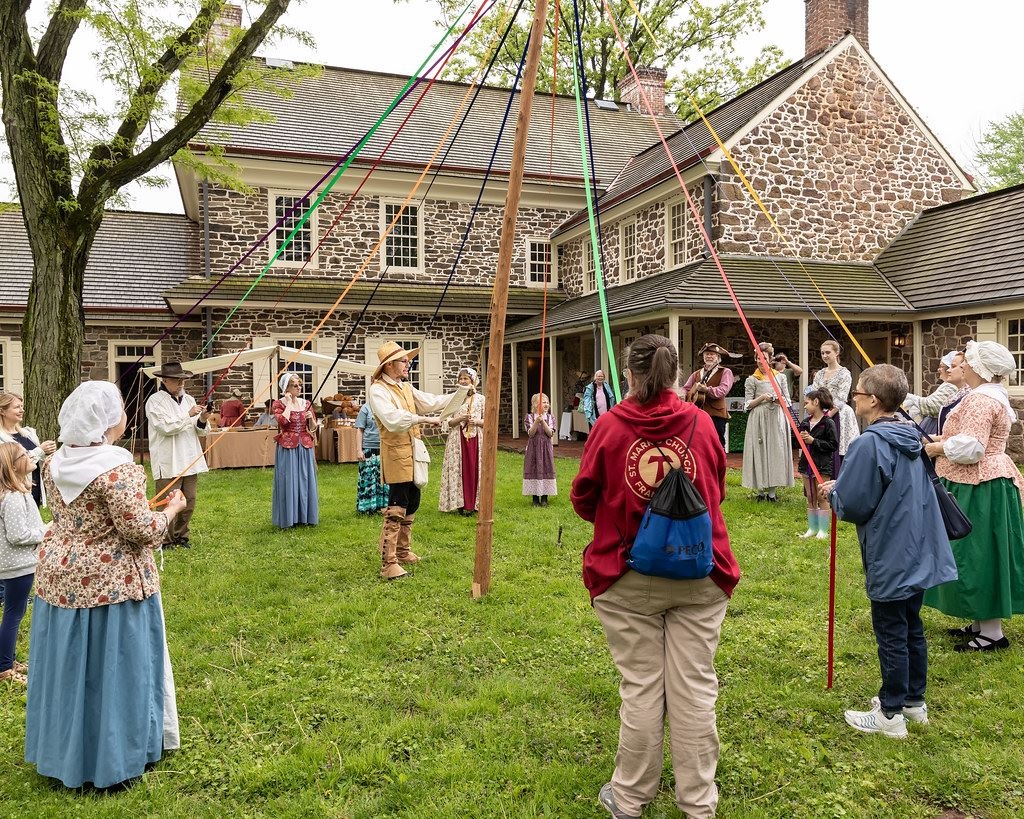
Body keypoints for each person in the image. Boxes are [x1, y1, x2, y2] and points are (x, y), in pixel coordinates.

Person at [571, 334, 741, 819]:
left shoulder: (609, 426)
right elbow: (715, 490)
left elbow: (584, 497)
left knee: (643, 686)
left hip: (626, 573)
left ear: (630, 374)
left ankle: (628, 798)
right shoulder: (700, 424)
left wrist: (625, 516)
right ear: (675, 375)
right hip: (698, 571)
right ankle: (698, 804)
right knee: (694, 688)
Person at [27, 380, 188, 788]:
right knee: (114, 667)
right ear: (106, 421)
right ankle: (113, 756)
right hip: (112, 582)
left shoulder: (53, 462)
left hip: (60, 574)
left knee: (70, 667)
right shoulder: (119, 470)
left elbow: (82, 515)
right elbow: (141, 531)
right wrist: (171, 510)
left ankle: (65, 751)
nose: (124, 415)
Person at [822, 364, 957, 738]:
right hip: (919, 545)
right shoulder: (910, 433)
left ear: (873, 400)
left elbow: (854, 504)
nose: (854, 398)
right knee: (911, 625)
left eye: (858, 392)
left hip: (892, 550)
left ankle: (890, 714)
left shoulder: (869, 443)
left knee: (892, 630)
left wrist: (835, 495)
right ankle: (913, 702)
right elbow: (884, 483)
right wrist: (842, 486)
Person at [922, 340, 1024, 652]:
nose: (962, 364)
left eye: (967, 361)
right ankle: (982, 622)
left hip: (979, 485)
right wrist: (943, 439)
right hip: (988, 481)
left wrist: (936, 448)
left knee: (978, 553)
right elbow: (972, 438)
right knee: (979, 550)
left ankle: (992, 633)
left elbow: (972, 448)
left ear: (980, 368)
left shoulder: (980, 399)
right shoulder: (991, 395)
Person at [367, 341, 466, 580]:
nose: (407, 364)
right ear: (389, 365)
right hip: (396, 454)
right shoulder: (378, 390)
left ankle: (402, 552)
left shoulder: (406, 387)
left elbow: (431, 401)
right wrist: (423, 419)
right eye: (403, 361)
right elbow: (392, 419)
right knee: (397, 506)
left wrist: (461, 394)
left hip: (414, 452)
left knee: (412, 502)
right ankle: (388, 563)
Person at [145, 361, 209, 548]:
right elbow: (165, 427)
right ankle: (165, 539)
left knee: (189, 500)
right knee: (167, 500)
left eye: (183, 380)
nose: (181, 383)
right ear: (164, 380)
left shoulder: (189, 399)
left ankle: (181, 536)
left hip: (189, 457)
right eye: (176, 380)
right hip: (168, 458)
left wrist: (202, 419)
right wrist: (188, 415)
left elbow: (200, 430)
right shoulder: (154, 401)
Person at [0, 442, 46, 685]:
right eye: (23, 455)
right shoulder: (14, 498)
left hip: (18, 564)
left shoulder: (18, 492)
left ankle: (7, 659)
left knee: (14, 613)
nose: (30, 456)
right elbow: (17, 535)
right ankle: (4, 667)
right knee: (14, 614)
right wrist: (45, 533)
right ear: (13, 465)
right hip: (18, 565)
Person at [741, 352, 794, 502]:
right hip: (758, 417)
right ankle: (760, 491)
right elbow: (747, 404)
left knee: (775, 450)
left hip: (776, 416)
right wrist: (762, 397)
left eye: (764, 357)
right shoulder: (752, 379)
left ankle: (772, 492)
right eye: (758, 358)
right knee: (759, 450)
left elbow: (787, 401)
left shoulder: (780, 377)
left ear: (770, 359)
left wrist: (776, 399)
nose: (761, 360)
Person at [271, 372, 320, 529]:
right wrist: (289, 403)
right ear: (286, 388)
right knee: (289, 480)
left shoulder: (306, 403)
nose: (299, 388)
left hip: (305, 446)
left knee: (305, 479)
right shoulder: (278, 404)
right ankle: (289, 517)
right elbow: (283, 422)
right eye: (295, 385)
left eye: (300, 385)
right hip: (288, 447)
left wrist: (311, 419)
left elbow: (312, 428)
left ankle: (306, 516)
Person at [439, 367, 485, 515]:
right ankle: (459, 503)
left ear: (473, 381)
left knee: (473, 468)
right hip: (457, 440)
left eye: (466, 378)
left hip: (475, 439)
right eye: (461, 378)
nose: (463, 381)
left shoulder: (481, 399)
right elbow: (445, 421)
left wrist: (476, 421)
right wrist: (459, 419)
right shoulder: (454, 399)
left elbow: (488, 421)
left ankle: (474, 503)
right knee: (459, 469)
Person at [811, 340, 860, 475]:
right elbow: (815, 393)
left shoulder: (844, 373)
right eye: (822, 353)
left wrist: (827, 416)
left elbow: (841, 398)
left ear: (836, 352)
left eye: (828, 352)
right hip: (821, 412)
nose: (825, 355)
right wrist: (817, 413)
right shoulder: (820, 373)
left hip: (838, 413)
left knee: (836, 446)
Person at [0, 392, 57, 507]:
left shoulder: (28, 433)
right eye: (17, 407)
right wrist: (40, 450)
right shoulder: (2, 438)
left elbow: (37, 460)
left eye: (22, 406)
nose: (22, 410)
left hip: (33, 488)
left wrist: (47, 452)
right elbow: (11, 463)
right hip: (14, 491)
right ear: (2, 411)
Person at [681, 342, 741, 449]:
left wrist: (707, 390)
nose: (709, 356)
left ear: (718, 357)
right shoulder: (696, 374)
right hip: (698, 414)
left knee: (717, 444)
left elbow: (722, 390)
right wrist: (684, 395)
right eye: (706, 354)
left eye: (712, 354)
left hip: (716, 415)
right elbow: (685, 389)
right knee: (699, 444)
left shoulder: (725, 372)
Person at [797, 387, 837, 539]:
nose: (805, 406)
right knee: (810, 496)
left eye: (806, 403)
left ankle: (823, 530)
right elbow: (800, 443)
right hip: (806, 465)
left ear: (816, 402)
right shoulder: (805, 422)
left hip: (822, 465)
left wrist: (814, 441)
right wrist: (800, 438)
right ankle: (812, 528)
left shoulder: (828, 423)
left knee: (822, 497)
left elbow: (833, 445)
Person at [903, 350, 962, 436]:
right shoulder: (947, 384)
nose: (939, 369)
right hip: (932, 425)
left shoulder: (952, 386)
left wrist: (909, 397)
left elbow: (932, 405)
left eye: (941, 366)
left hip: (936, 427)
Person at [355, 400, 389, 514]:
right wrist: (359, 450)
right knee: (368, 477)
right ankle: (367, 506)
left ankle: (384, 506)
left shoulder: (388, 406)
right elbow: (360, 430)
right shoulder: (366, 408)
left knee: (384, 478)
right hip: (368, 447)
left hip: (385, 447)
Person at [523, 393, 557, 506]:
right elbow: (531, 434)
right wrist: (537, 421)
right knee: (534, 468)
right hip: (533, 448)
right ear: (535, 404)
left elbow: (550, 433)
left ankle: (544, 498)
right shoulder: (529, 417)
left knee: (546, 468)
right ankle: (535, 498)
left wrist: (543, 422)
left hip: (546, 449)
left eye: (547, 402)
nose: (546, 404)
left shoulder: (550, 418)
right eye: (543, 402)